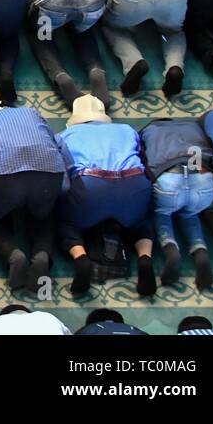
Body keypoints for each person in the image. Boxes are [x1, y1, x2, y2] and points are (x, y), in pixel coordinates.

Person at [56, 94, 157, 297]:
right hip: (133, 184)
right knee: (142, 222)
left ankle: (80, 257)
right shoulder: (127, 130)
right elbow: (143, 159)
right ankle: (145, 258)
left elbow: (63, 171)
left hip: (91, 187)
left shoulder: (64, 136)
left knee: (66, 223)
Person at [0, 102, 69, 291]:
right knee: (44, 216)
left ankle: (12, 253)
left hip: (0, 174)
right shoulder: (32, 112)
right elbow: (56, 144)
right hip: (48, 171)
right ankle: (42, 255)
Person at [19, 0, 112, 106]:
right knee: (84, 30)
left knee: (41, 36)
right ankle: (96, 70)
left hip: (53, 2)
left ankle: (59, 74)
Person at [141, 117, 213, 289]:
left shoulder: (150, 130)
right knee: (190, 213)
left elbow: (141, 157)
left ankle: (170, 248)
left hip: (170, 181)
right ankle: (200, 250)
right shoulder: (195, 127)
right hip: (202, 180)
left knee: (162, 213)